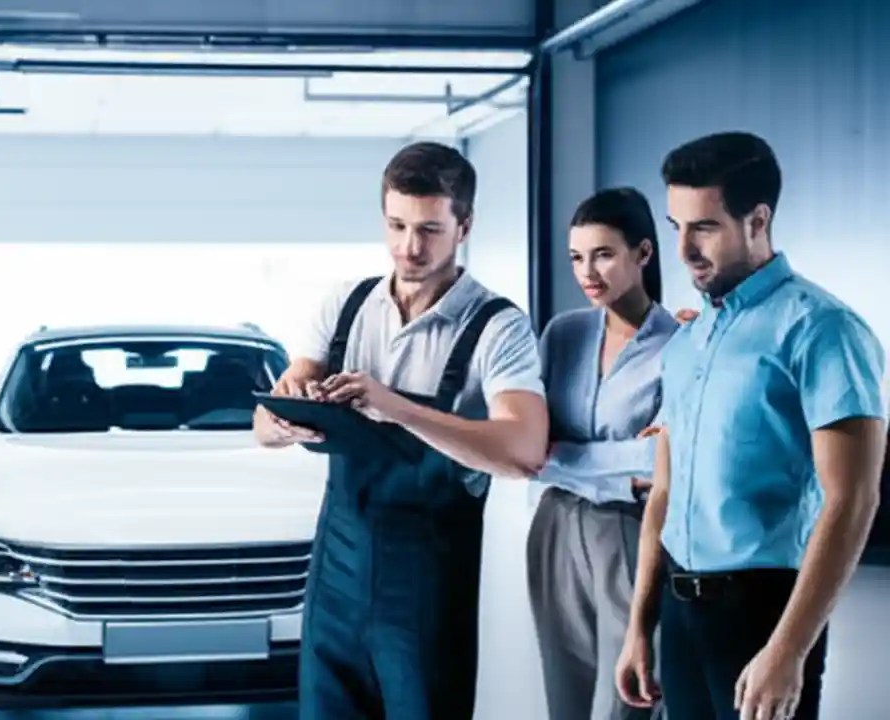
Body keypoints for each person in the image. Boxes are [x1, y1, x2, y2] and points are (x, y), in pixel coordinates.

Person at [253, 141, 548, 719]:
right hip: (336, 569)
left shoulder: (497, 326)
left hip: (427, 582)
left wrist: (397, 408)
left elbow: (524, 451)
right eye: (397, 225)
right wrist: (286, 420)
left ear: (465, 224)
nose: (410, 247)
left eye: (430, 229)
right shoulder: (346, 305)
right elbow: (263, 426)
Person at [615, 131, 887, 720]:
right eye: (675, 226)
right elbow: (664, 491)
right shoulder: (687, 343)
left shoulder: (822, 329)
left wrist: (789, 648)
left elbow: (853, 497)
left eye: (704, 228)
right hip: (682, 614)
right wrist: (640, 624)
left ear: (758, 219)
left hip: (762, 612)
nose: (683, 249)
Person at [529, 187, 678, 720]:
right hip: (554, 525)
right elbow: (531, 450)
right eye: (576, 257)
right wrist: (619, 462)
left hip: (634, 529)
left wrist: (563, 457)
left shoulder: (681, 344)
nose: (587, 271)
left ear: (643, 253)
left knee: (630, 694)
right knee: (562, 688)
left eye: (603, 254)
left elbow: (662, 462)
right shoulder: (561, 334)